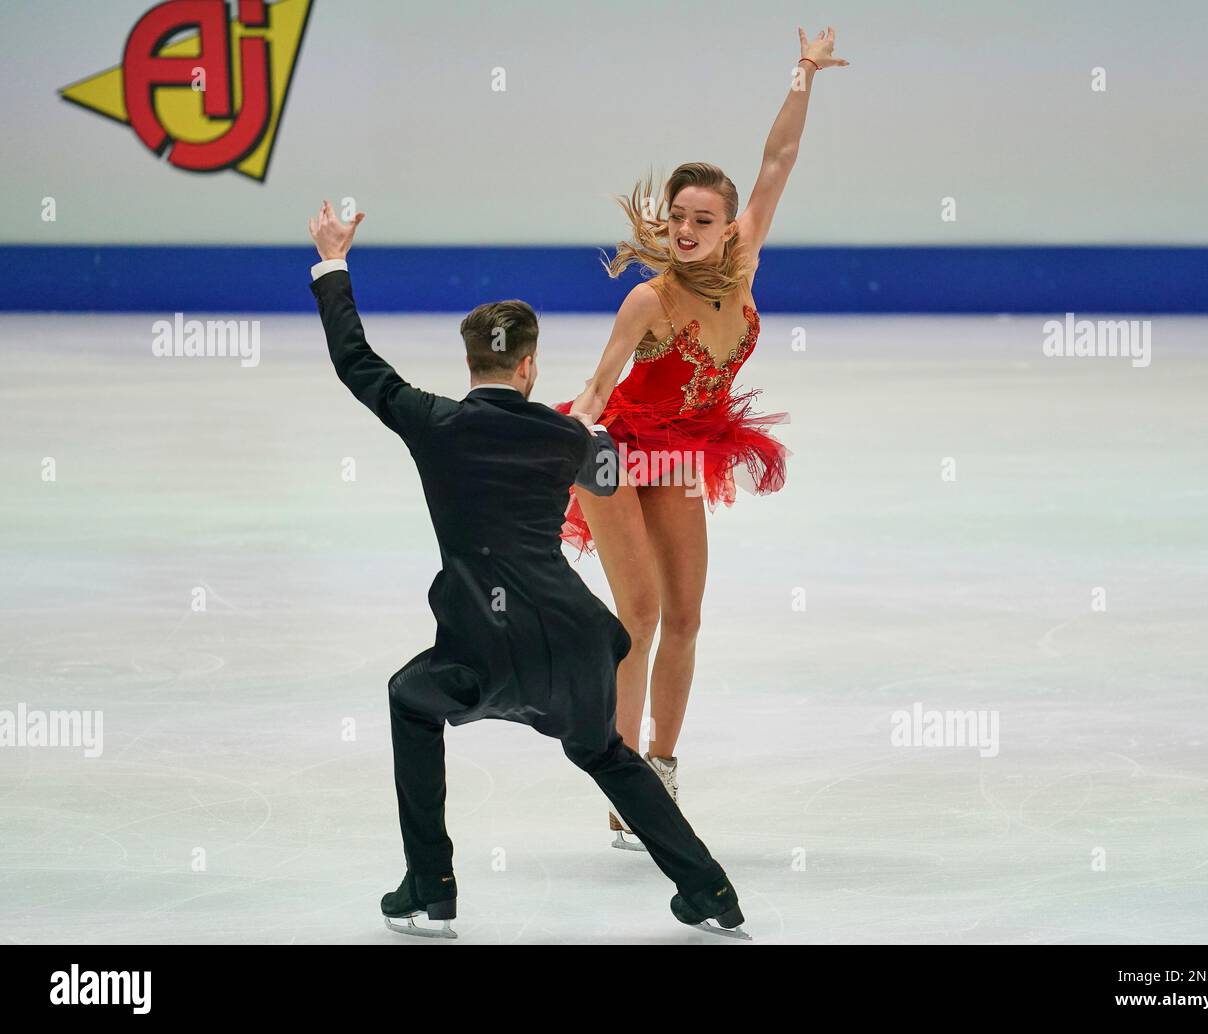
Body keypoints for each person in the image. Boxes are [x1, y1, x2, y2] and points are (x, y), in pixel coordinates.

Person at [305, 200, 748, 939]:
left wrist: (333, 262)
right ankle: (710, 893)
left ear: (471, 363)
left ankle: (430, 886)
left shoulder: (432, 421)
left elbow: (356, 362)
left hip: (481, 646)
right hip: (573, 644)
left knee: (411, 702)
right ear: (530, 365)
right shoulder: (567, 436)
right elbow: (608, 474)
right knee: (605, 753)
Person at [559, 28, 849, 844]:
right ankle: (618, 775)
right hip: (615, 455)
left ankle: (659, 771)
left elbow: (778, 161)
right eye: (678, 217)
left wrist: (804, 73)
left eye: (702, 219)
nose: (685, 229)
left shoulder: (747, 260)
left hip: (686, 449)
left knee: (687, 617)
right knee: (641, 616)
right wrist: (551, 448)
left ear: (728, 229)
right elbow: (597, 389)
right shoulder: (648, 302)